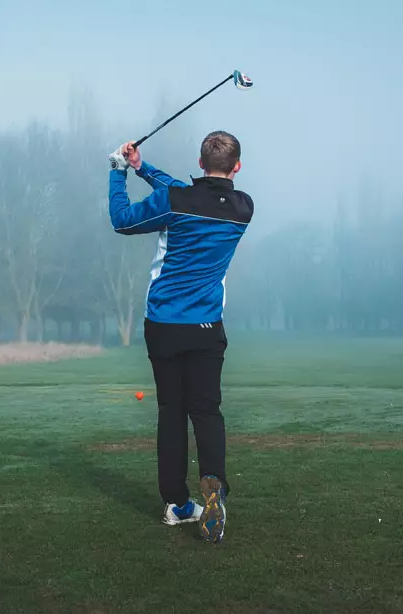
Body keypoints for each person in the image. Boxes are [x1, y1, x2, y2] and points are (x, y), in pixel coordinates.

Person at [107, 130, 253, 544]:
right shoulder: (243, 208)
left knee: (171, 411)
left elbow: (123, 220)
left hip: (165, 326)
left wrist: (119, 172)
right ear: (236, 167)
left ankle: (176, 504)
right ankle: (214, 486)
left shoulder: (176, 203)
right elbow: (190, 194)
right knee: (206, 410)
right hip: (208, 327)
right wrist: (142, 167)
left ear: (201, 161)